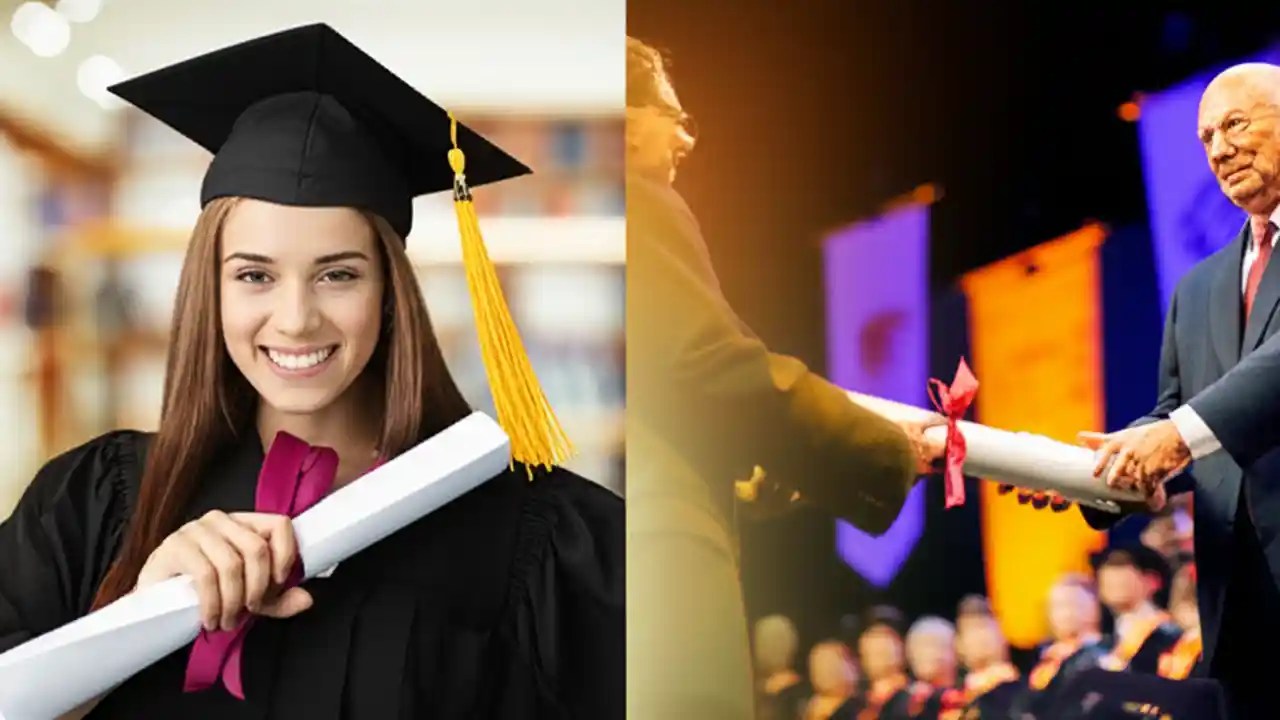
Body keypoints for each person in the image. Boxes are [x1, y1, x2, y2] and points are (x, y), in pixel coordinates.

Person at [0, 24, 623, 719]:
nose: (295, 319)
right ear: (212, 289)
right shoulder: (96, 504)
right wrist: (136, 618)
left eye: (337, 274)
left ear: (390, 293)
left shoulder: (534, 539)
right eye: (255, 275)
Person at [625, 35, 947, 720]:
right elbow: (710, 363)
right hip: (656, 564)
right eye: (675, 116)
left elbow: (661, 404)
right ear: (623, 121)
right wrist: (879, 446)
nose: (687, 138)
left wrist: (756, 477)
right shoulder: (638, 202)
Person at [1043, 62, 1280, 719]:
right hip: (1240, 610)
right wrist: (1086, 476)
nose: (1220, 149)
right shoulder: (1198, 288)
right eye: (1206, 139)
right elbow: (1175, 418)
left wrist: (1171, 438)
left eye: (1236, 124)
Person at [1011, 574, 1109, 720]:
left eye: (1072, 604)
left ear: (1094, 608)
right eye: (1058, 606)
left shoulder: (1102, 654)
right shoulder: (1046, 660)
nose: (1065, 613)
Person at [1091, 546, 1182, 674]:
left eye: (1122, 583)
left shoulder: (1167, 632)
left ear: (1152, 582)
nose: (1115, 585)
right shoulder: (1104, 636)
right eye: (1108, 584)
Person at [948, 609, 1022, 720]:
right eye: (972, 631)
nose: (980, 638)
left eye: (986, 628)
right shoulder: (951, 700)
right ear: (959, 644)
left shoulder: (1023, 692)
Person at [755, 614, 812, 720]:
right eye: (766, 642)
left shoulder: (801, 695)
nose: (773, 648)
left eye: (778, 642)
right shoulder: (755, 688)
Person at [803, 640, 861, 720]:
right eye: (821, 666)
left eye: (830, 664)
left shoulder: (859, 706)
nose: (825, 671)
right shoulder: (814, 706)